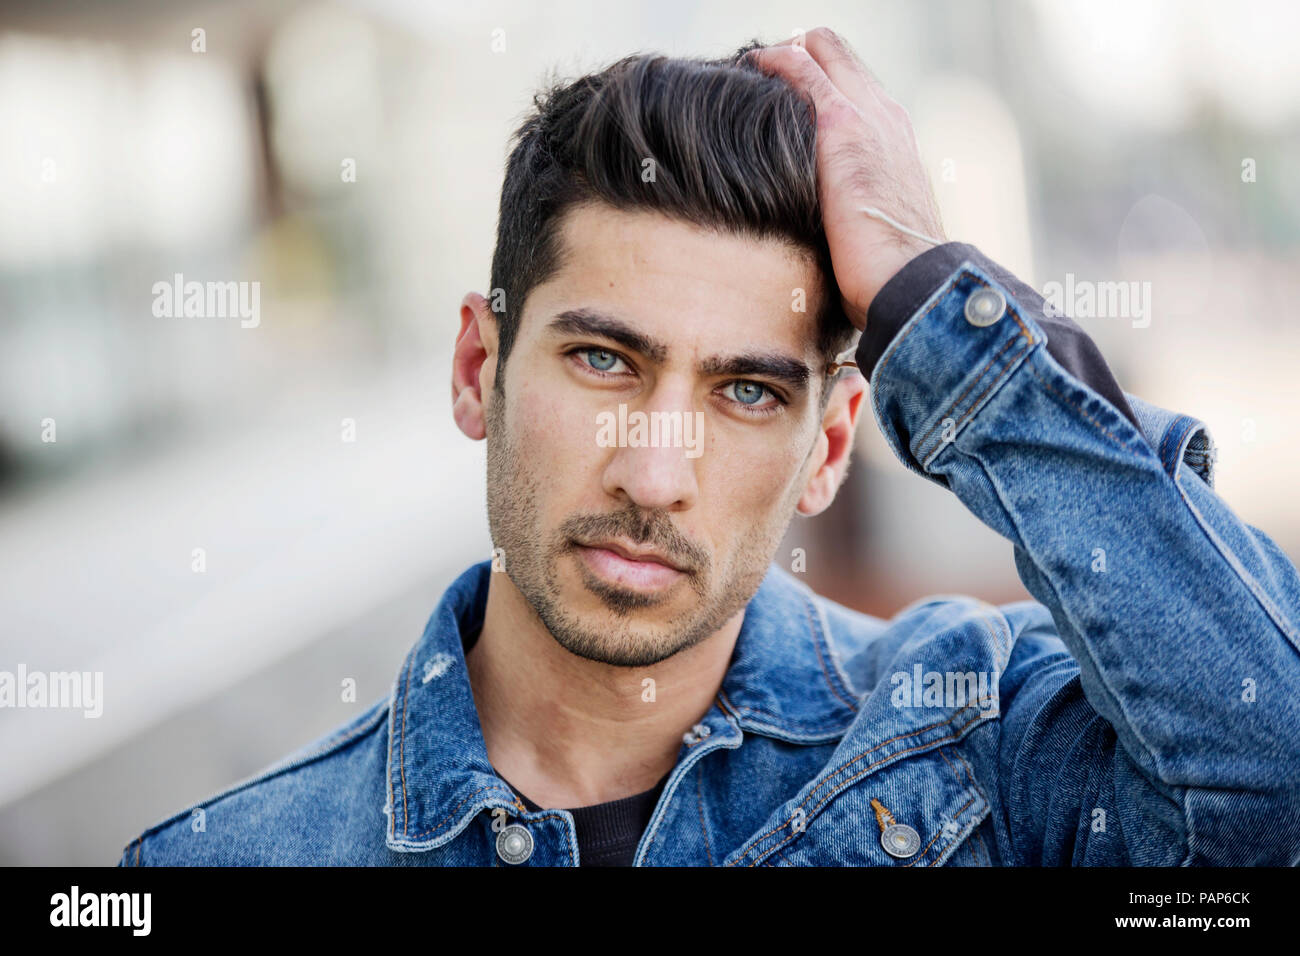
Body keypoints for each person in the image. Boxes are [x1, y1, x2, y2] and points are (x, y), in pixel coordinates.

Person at [119, 28, 1300, 867]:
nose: (652, 475)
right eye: (602, 361)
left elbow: (1271, 766)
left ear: (831, 442)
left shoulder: (978, 747)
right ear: (479, 367)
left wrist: (926, 298)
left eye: (744, 390)